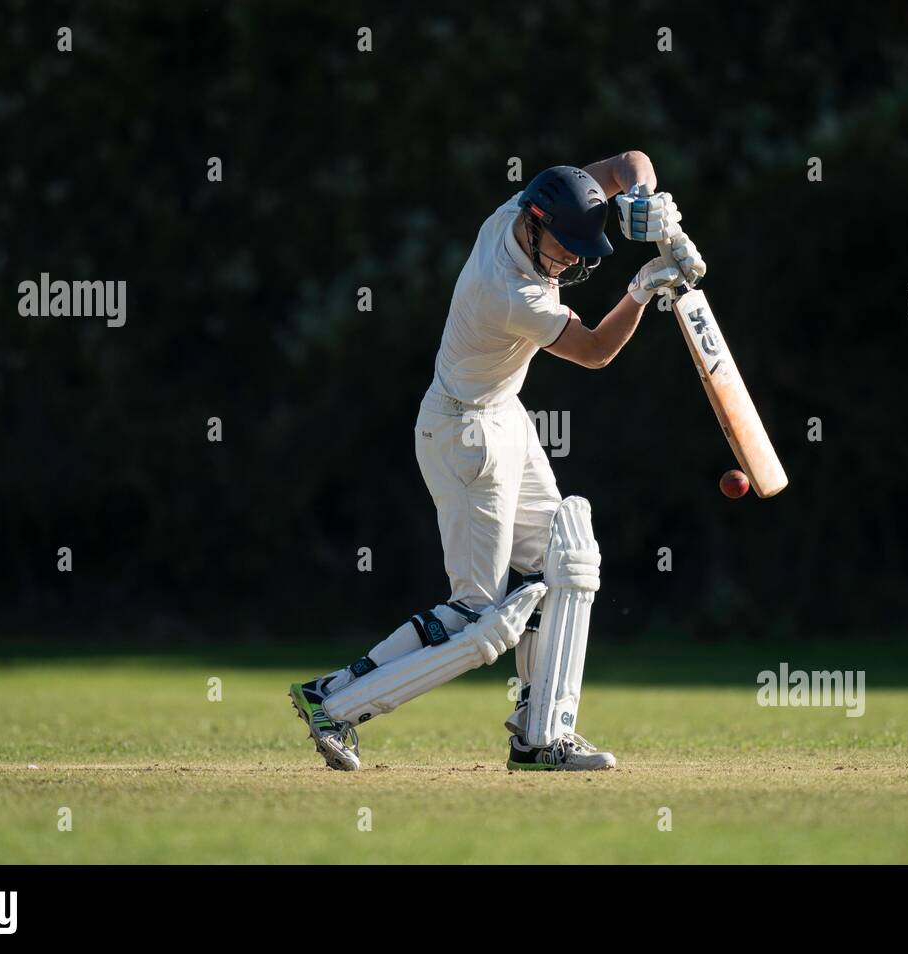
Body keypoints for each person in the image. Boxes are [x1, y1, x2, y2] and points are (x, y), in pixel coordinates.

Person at [290, 152, 705, 771]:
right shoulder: (508, 292)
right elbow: (593, 352)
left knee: (566, 562)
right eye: (564, 247)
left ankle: (542, 736)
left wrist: (643, 202)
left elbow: (623, 164)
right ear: (535, 226)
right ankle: (334, 700)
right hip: (464, 433)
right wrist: (643, 288)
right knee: (478, 617)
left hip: (502, 413)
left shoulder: (522, 210)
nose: (572, 259)